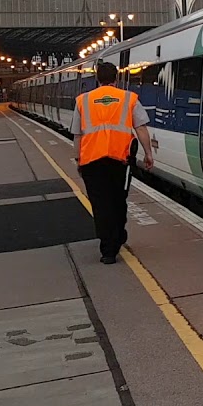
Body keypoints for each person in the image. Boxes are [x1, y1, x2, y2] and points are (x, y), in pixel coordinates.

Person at [71, 61, 155, 264]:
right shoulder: (128, 98)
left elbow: (77, 135)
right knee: (118, 200)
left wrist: (78, 159)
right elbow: (141, 128)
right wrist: (148, 154)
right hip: (120, 160)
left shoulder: (83, 100)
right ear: (116, 78)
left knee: (100, 204)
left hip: (92, 161)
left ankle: (108, 250)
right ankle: (118, 235)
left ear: (97, 79)